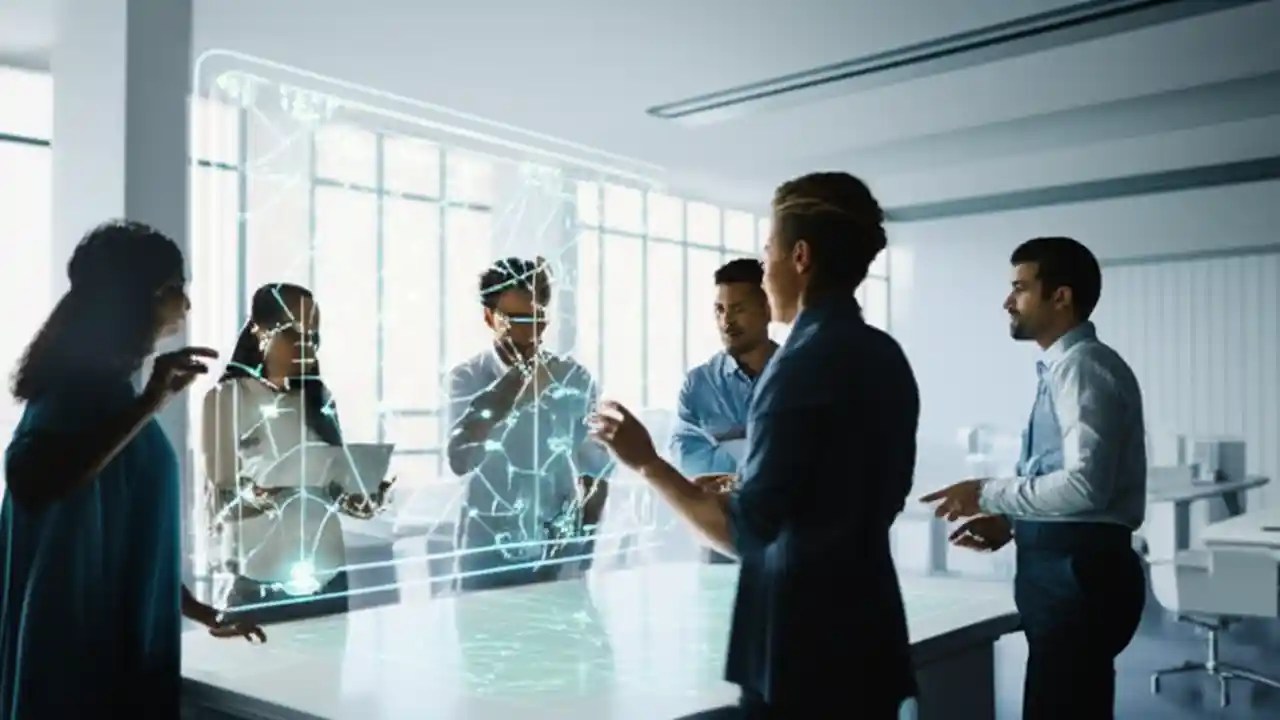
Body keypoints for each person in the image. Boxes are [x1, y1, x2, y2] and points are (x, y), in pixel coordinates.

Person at [589, 173, 919, 718]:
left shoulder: (796, 370)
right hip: (871, 630)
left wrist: (646, 463)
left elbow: (746, 535)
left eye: (768, 250)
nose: (763, 269)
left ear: (800, 256)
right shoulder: (884, 355)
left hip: (798, 649)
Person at [0, 220, 265, 718]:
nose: (185, 304)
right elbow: (34, 480)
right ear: (130, 303)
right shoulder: (77, 392)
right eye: (173, 289)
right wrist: (148, 404)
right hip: (80, 658)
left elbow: (131, 529)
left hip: (116, 643)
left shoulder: (111, 393)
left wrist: (201, 611)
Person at [921, 236, 1147, 720]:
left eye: (1020, 288)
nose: (1008, 301)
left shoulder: (1083, 368)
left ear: (1059, 296)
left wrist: (986, 492)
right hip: (1069, 573)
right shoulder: (1066, 368)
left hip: (1078, 579)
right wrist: (1013, 524)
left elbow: (1087, 486)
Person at [203, 283, 391, 624]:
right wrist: (261, 497)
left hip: (327, 578)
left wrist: (358, 498)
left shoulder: (319, 398)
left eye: (313, 336)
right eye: (293, 333)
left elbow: (334, 480)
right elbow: (219, 503)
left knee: (324, 677)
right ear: (260, 332)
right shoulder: (228, 399)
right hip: (260, 580)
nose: (305, 345)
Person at [445, 257, 611, 592]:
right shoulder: (467, 378)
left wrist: (583, 552)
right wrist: (517, 383)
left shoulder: (575, 379)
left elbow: (596, 471)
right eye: (516, 319)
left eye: (537, 318)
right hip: (484, 557)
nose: (528, 331)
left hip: (556, 553)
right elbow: (460, 459)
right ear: (489, 317)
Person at [669, 258, 777, 477]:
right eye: (720, 309)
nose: (726, 321)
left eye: (738, 309)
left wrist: (730, 447)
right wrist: (767, 446)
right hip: (719, 511)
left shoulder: (798, 373)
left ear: (767, 310)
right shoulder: (698, 385)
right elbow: (689, 463)